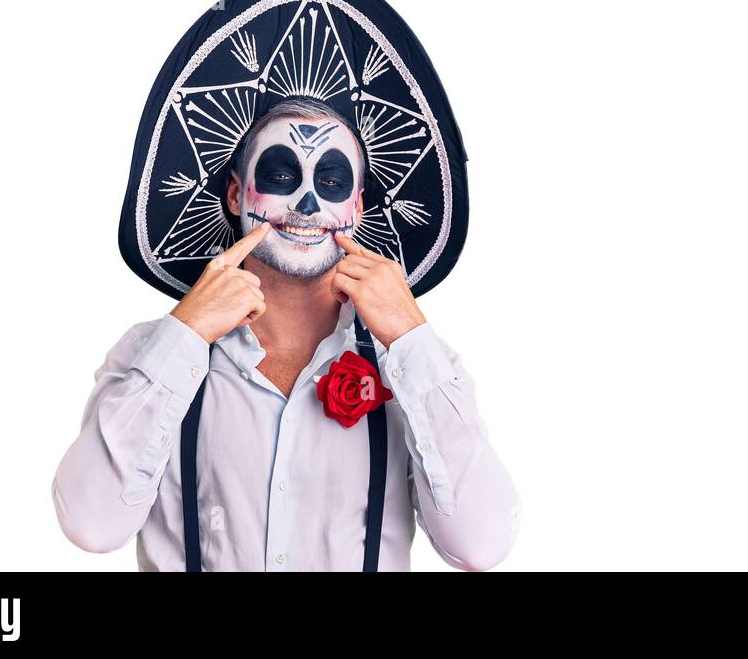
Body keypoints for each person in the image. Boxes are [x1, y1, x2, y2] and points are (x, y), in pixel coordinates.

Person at [52, 99, 520, 571]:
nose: (307, 205)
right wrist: (186, 332)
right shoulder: (150, 355)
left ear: (356, 207)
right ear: (236, 195)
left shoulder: (413, 367)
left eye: (332, 182)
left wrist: (410, 337)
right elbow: (92, 524)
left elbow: (480, 545)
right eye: (281, 176)